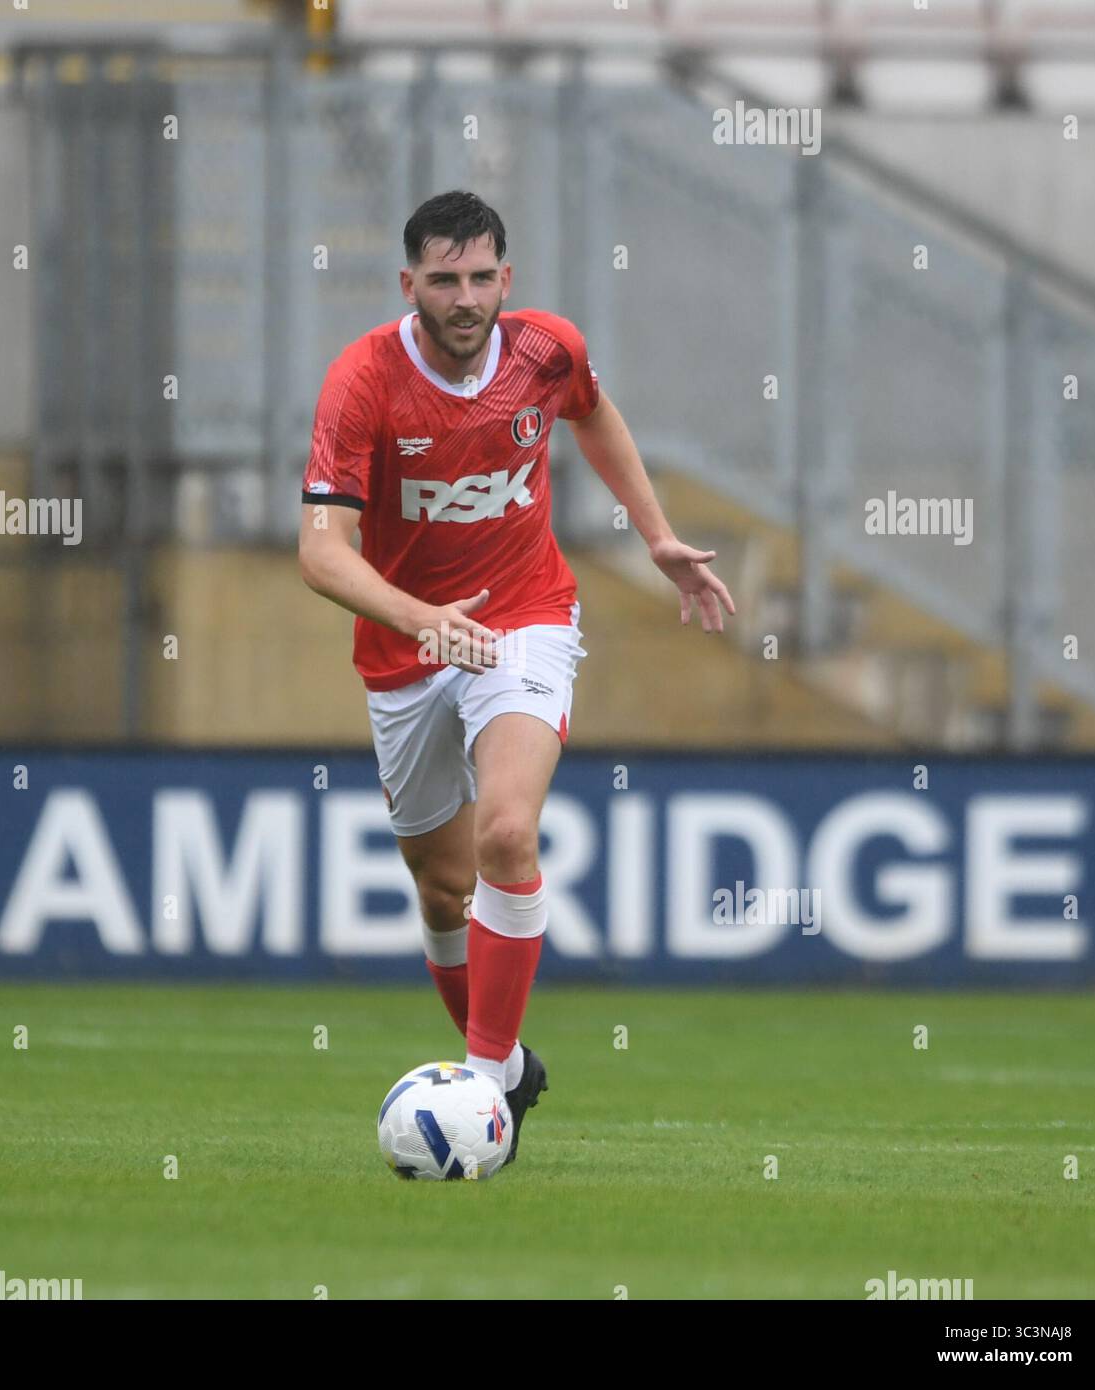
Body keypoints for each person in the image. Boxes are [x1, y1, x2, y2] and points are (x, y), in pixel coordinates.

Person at [298, 190, 735, 1166]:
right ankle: (502, 1069)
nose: (464, 297)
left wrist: (655, 533)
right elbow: (321, 554)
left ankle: (486, 1084)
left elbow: (594, 411)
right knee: (443, 890)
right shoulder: (361, 382)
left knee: (505, 829)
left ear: (507, 277)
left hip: (522, 618)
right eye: (442, 279)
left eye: (481, 276)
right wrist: (421, 621)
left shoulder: (547, 349)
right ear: (407, 284)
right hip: (407, 645)